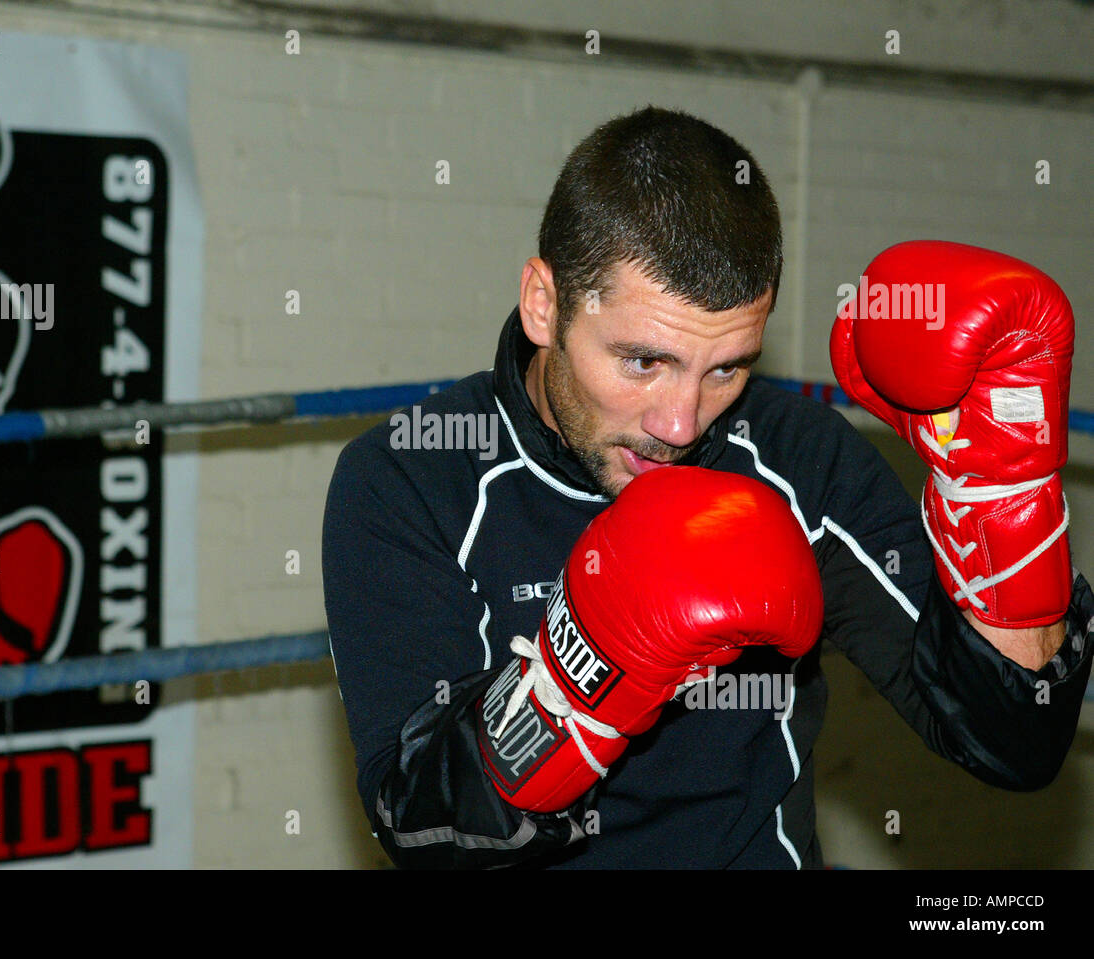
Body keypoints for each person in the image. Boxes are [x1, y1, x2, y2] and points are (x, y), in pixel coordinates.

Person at [321, 106, 1092, 868]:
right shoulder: (412, 479)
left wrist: (998, 497)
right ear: (544, 304)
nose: (682, 421)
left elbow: (1012, 745)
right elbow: (416, 825)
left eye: (726, 367)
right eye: (642, 361)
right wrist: (571, 682)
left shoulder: (795, 459)